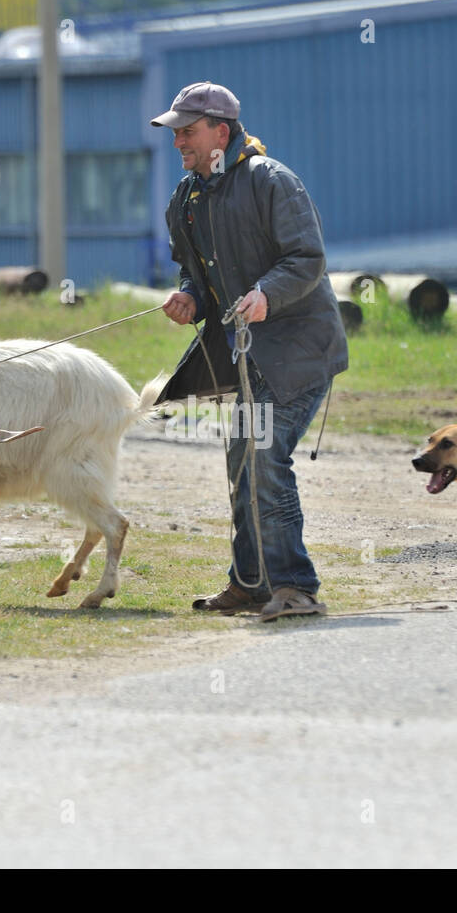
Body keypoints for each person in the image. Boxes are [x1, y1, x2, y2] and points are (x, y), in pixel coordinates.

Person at [151, 81, 348, 621]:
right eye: (176, 133)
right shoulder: (186, 198)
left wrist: (267, 293)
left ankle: (295, 587)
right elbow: (194, 273)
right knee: (241, 463)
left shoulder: (271, 181)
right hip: (245, 358)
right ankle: (252, 582)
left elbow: (308, 260)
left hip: (299, 352)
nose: (179, 144)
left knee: (262, 457)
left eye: (187, 132)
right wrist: (190, 296)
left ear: (222, 130)